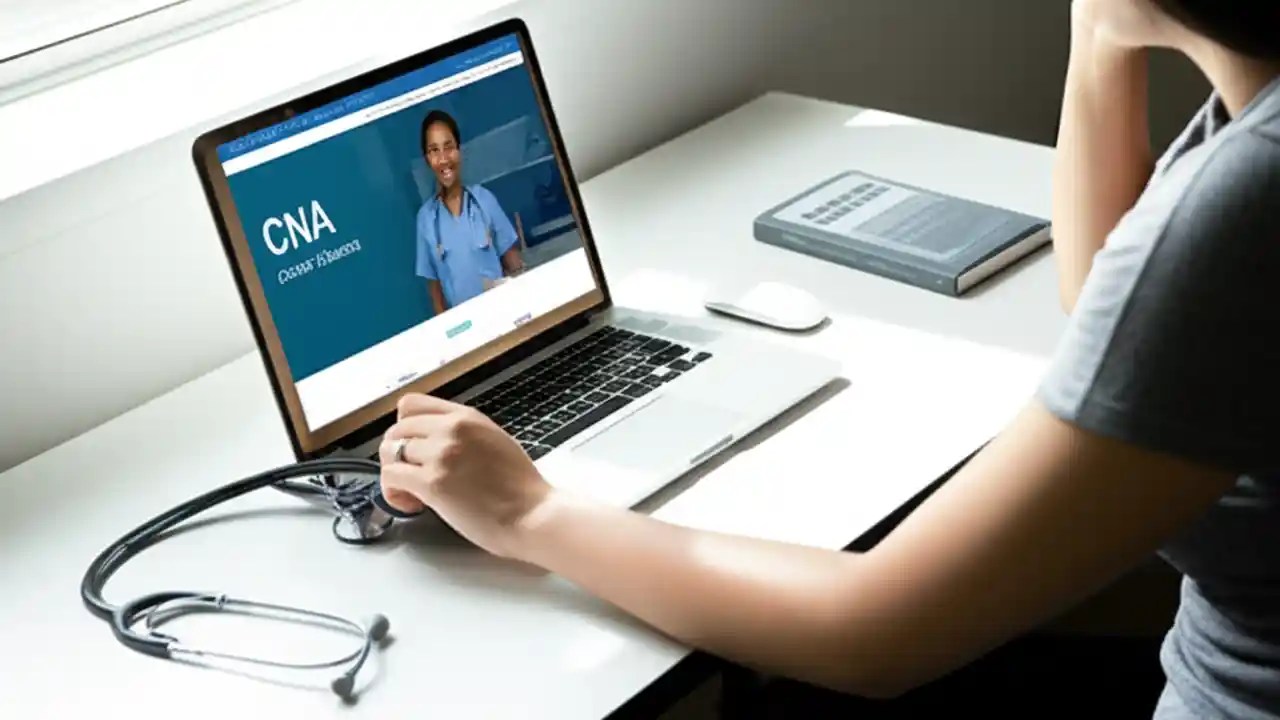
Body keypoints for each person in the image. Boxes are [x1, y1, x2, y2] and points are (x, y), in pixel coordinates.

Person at [381, 1, 1280, 716]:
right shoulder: (1247, 118)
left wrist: (527, 510)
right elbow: (1115, 313)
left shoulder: (1244, 203)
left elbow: (878, 630)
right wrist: (1100, 35)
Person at [415, 109, 525, 316]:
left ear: (459, 150)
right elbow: (436, 295)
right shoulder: (425, 220)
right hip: (466, 329)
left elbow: (516, 267)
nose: (444, 158)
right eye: (434, 150)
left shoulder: (485, 200)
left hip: (503, 314)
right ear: (427, 159)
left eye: (448, 147)